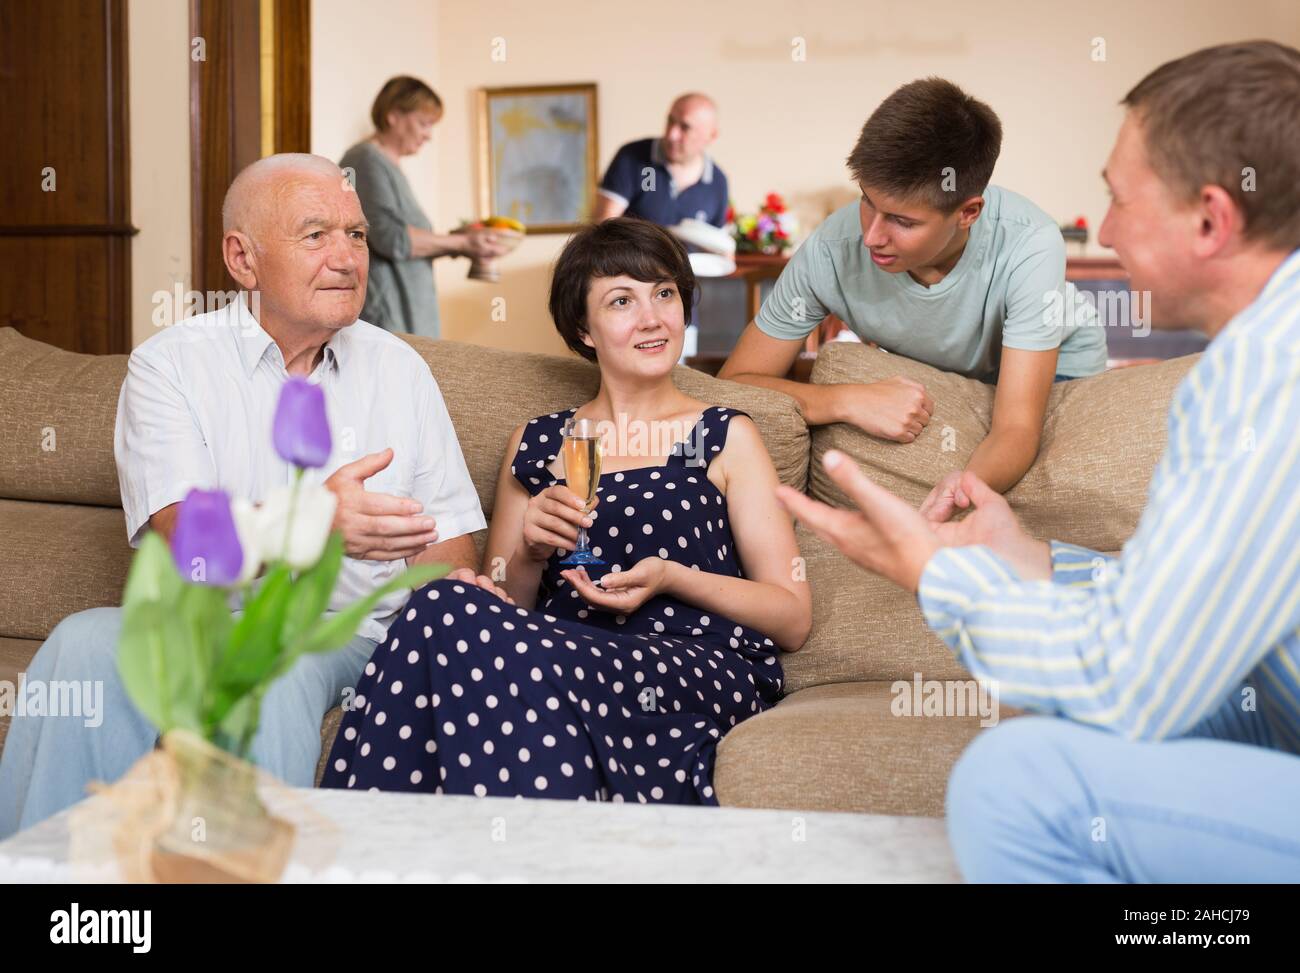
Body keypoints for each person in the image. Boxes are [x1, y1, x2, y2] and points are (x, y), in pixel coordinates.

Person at [774, 42, 1300, 882]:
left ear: (1211, 219)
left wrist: (936, 574)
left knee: (1015, 783)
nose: (1104, 226)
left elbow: (1132, 678)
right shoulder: (1262, 348)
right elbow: (1191, 620)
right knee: (1048, 717)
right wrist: (1033, 561)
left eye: (1119, 198)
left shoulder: (1271, 369)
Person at [0, 153, 495, 839]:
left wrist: (465, 593)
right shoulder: (169, 366)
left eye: (356, 234)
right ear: (242, 258)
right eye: (316, 234)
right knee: (82, 642)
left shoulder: (400, 368)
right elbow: (185, 541)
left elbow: (448, 546)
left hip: (348, 631)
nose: (348, 256)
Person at [321, 217, 812, 803]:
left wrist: (672, 577)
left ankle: (356, 842)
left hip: (689, 663)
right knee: (440, 601)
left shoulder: (723, 435)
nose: (652, 317)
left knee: (484, 646)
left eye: (664, 294)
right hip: (557, 654)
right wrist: (528, 547)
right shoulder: (538, 443)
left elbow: (792, 615)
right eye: (622, 300)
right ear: (584, 328)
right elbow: (505, 602)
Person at [720, 78, 1107, 523]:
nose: (870, 236)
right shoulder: (831, 249)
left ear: (968, 213)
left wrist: (954, 495)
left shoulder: (1031, 243)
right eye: (867, 202)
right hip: (946, 376)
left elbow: (1017, 428)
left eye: (902, 221)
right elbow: (737, 382)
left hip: (1058, 374)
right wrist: (845, 400)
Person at [340, 76, 510, 337]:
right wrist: (463, 243)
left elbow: (404, 239)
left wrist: (461, 241)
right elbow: (390, 238)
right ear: (394, 116)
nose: (428, 135)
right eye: (423, 123)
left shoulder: (386, 165)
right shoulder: (364, 160)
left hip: (409, 318)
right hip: (390, 320)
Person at [593, 93, 729, 229]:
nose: (671, 134)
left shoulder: (718, 182)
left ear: (711, 136)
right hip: (630, 251)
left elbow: (717, 245)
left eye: (685, 127)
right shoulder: (631, 157)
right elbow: (603, 228)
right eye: (671, 121)